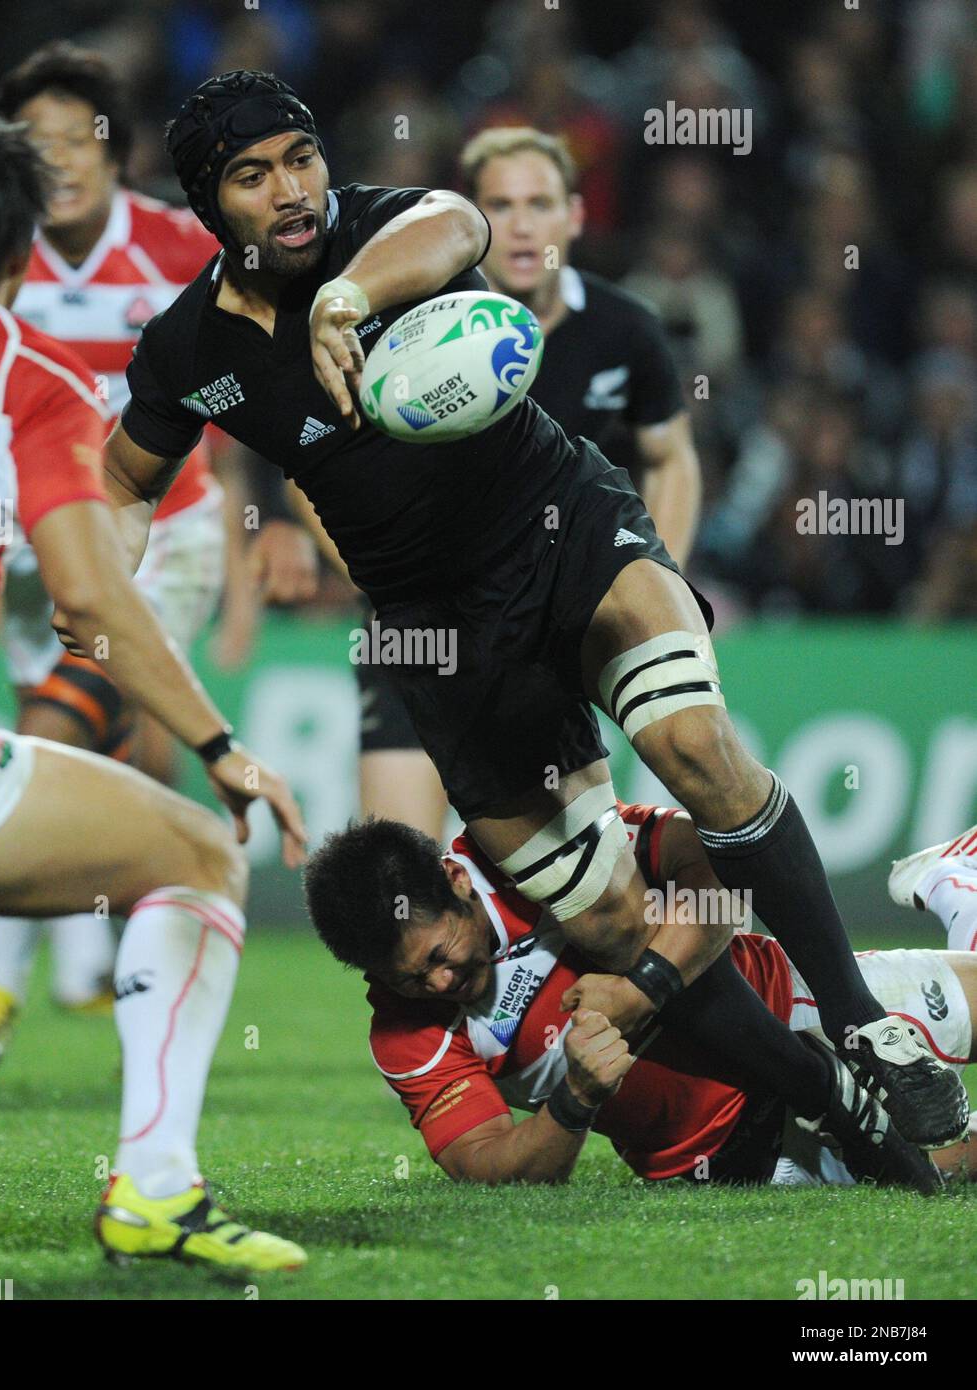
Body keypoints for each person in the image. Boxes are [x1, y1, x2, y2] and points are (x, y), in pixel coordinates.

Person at [103, 68, 968, 1150]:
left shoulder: (373, 234)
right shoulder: (187, 350)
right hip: (442, 629)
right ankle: (833, 1104)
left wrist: (346, 296)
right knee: (604, 922)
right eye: (251, 174)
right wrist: (96, 570)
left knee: (694, 743)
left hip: (559, 525)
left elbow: (452, 223)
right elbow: (124, 484)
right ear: (206, 202)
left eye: (301, 158)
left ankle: (859, 1022)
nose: (290, 190)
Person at [0, 108, 307, 1274]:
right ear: (18, 252)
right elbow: (90, 600)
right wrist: (217, 741)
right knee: (199, 853)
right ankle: (153, 1190)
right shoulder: (21, 369)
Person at [0, 44, 321, 1073]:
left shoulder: (169, 242)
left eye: (74, 136)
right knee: (91, 755)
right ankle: (100, 955)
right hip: (25, 540)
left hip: (164, 524)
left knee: (65, 713)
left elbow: (244, 375)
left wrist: (264, 524)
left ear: (113, 147)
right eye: (32, 143)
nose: (54, 159)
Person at [304, 810, 977, 1191]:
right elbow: (486, 1167)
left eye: (439, 957)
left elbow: (719, 869)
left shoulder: (527, 848)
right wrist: (573, 1101)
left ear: (454, 880)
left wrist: (643, 986)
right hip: (723, 1153)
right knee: (955, 1169)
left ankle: (954, 887)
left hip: (788, 998)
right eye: (410, 981)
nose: (440, 986)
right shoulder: (405, 1032)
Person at [354, 126, 702, 841]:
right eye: (498, 206)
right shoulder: (405, 333)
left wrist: (654, 571)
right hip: (424, 624)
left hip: (555, 623)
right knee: (406, 885)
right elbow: (325, 467)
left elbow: (671, 455)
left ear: (574, 216)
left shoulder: (624, 329)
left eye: (539, 203)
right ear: (466, 223)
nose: (520, 225)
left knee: (579, 893)